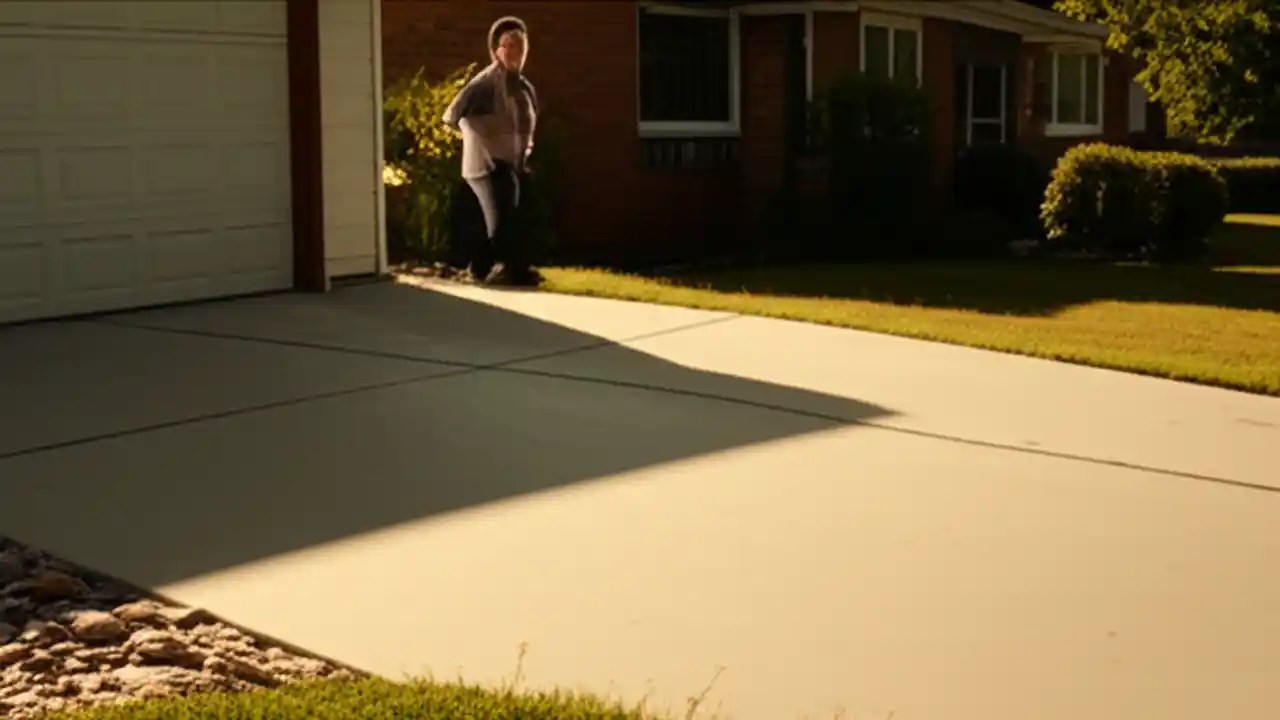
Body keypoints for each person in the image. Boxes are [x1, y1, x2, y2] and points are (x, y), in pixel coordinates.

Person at [442, 16, 541, 286]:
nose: (515, 52)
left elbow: (525, 129)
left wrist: (522, 158)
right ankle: (512, 268)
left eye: (520, 45)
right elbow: (451, 116)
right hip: (486, 165)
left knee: (504, 216)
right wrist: (480, 142)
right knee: (503, 215)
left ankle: (479, 269)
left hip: (512, 163)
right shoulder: (484, 85)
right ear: (497, 51)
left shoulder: (524, 89)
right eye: (508, 45)